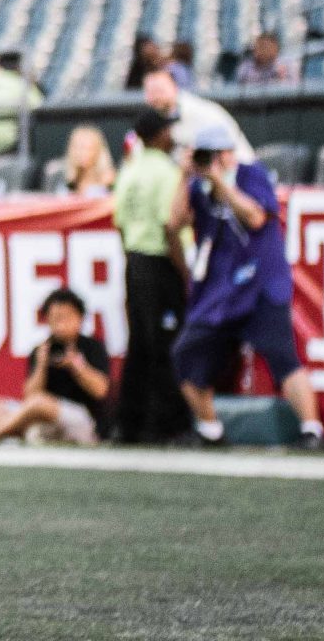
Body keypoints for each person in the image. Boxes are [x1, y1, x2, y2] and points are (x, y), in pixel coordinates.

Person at [171, 123, 324, 449]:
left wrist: (219, 182)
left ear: (228, 153)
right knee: (187, 353)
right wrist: (184, 177)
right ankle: (210, 429)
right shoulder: (198, 186)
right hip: (220, 289)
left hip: (260, 283)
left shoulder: (252, 174)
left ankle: (313, 429)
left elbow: (255, 217)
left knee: (283, 356)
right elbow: (174, 223)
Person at [0, 287, 111, 445]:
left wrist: (78, 366)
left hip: (80, 420)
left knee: (40, 403)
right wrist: (41, 365)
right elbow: (30, 396)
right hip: (41, 419)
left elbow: (101, 391)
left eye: (66, 317)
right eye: (55, 318)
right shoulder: (43, 349)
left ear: (79, 318)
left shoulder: (92, 347)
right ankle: (12, 434)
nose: (60, 325)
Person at [113, 107, 189, 443]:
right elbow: (169, 226)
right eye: (167, 130)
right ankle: (163, 424)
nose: (171, 135)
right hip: (160, 263)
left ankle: (129, 422)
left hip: (134, 261)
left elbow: (119, 222)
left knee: (139, 345)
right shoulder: (166, 171)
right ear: (158, 135)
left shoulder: (129, 170)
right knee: (164, 345)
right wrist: (183, 272)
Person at [143, 67, 255, 162]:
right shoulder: (153, 120)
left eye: (159, 90)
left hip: (238, 167)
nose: (155, 97)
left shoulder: (198, 111)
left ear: (174, 88)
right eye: (150, 92)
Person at [61, 123, 116, 196]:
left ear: (98, 150)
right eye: (78, 148)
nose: (81, 153)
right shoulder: (64, 180)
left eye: (87, 148)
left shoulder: (109, 181)